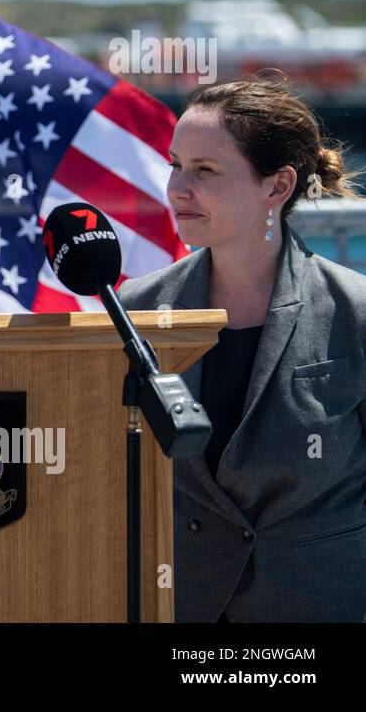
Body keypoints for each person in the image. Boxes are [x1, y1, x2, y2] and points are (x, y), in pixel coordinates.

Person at [118, 78, 366, 622]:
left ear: (277, 187)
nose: (178, 188)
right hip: (178, 611)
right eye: (175, 165)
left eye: (205, 171)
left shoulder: (355, 312)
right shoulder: (135, 312)